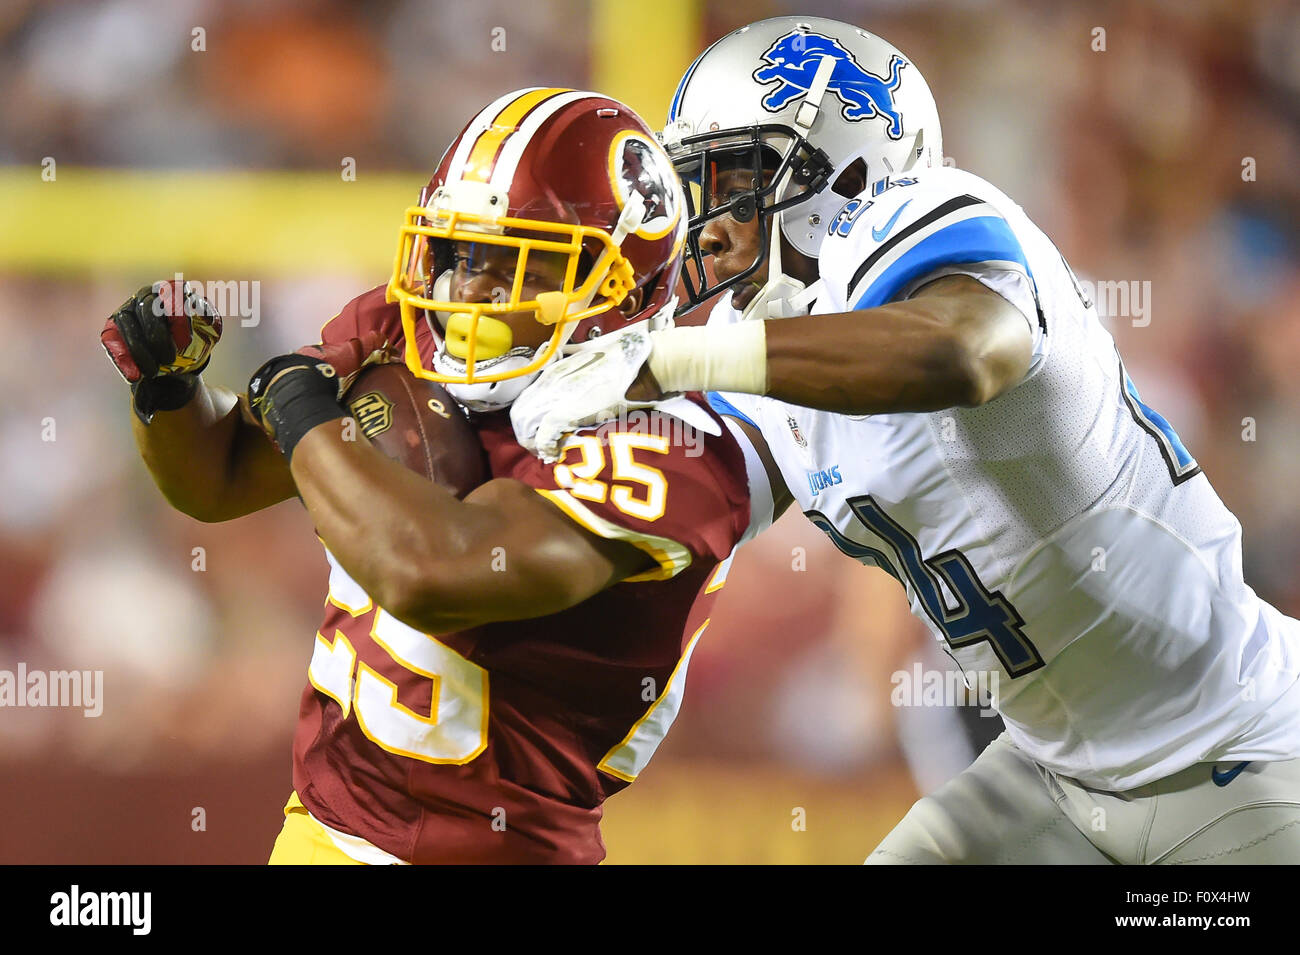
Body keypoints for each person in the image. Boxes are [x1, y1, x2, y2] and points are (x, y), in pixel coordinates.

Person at [510, 18, 1300, 864]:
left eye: (734, 179)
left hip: (1242, 745)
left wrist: (668, 358)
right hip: (1055, 774)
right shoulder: (769, 347)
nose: (706, 224)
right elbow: (678, 497)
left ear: (839, 170)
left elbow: (961, 349)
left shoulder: (928, 220)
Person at [100, 88, 763, 864]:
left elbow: (430, 570)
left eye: (517, 260)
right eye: (460, 253)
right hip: (321, 833)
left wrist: (305, 412)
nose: (468, 289)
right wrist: (169, 390)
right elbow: (216, 480)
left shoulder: (664, 444)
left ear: (617, 286)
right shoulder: (407, 333)